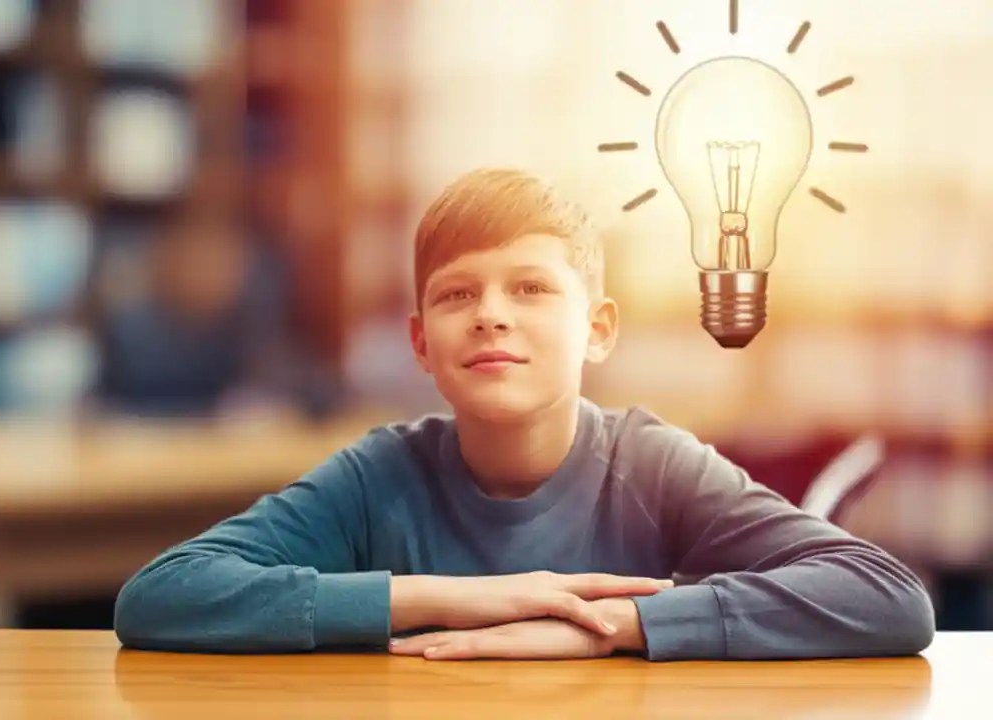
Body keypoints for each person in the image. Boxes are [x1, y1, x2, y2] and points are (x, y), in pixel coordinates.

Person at [112, 168, 935, 661]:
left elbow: (887, 598)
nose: (491, 315)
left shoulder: (650, 464)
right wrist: (450, 598)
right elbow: (160, 597)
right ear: (421, 344)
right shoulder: (379, 474)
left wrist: (618, 625)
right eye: (456, 294)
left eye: (532, 287)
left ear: (599, 329)